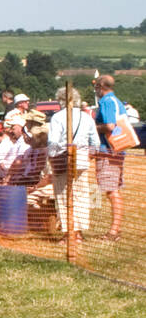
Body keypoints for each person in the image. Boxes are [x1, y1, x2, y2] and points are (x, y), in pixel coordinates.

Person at [47, 85, 97, 243]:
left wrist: (52, 156)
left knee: (63, 197)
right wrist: (87, 156)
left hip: (63, 160)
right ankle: (79, 233)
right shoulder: (87, 117)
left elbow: (53, 141)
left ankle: (69, 233)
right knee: (81, 196)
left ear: (61, 101)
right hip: (82, 160)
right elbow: (95, 142)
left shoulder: (57, 117)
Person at [92, 74, 127, 241]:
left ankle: (114, 231)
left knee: (112, 191)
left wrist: (92, 127)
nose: (95, 90)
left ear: (101, 86)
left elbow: (109, 126)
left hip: (108, 151)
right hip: (117, 150)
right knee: (113, 190)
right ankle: (115, 229)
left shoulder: (106, 102)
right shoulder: (116, 101)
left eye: (96, 86)